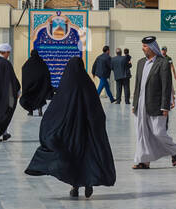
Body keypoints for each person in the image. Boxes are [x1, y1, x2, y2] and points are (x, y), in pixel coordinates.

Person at [24, 57, 117, 200]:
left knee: (72, 157)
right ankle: (87, 183)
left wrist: (49, 128)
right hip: (86, 131)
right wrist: (96, 127)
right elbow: (96, 109)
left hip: (70, 132)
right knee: (87, 157)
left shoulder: (66, 85)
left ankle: (75, 186)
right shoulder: (88, 84)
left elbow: (56, 109)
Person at [131, 36, 176, 170]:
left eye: (145, 46)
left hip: (157, 104)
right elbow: (137, 84)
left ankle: (174, 150)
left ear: (152, 47)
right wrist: (134, 104)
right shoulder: (141, 63)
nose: (143, 48)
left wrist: (165, 106)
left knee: (158, 132)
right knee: (142, 132)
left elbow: (166, 86)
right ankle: (143, 160)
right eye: (143, 46)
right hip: (141, 104)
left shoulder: (163, 63)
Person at [19, 50, 53, 116]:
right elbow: (46, 72)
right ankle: (40, 111)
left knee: (29, 98)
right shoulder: (42, 62)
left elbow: (24, 70)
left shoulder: (28, 63)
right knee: (40, 97)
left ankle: (30, 111)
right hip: (40, 85)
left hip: (30, 86)